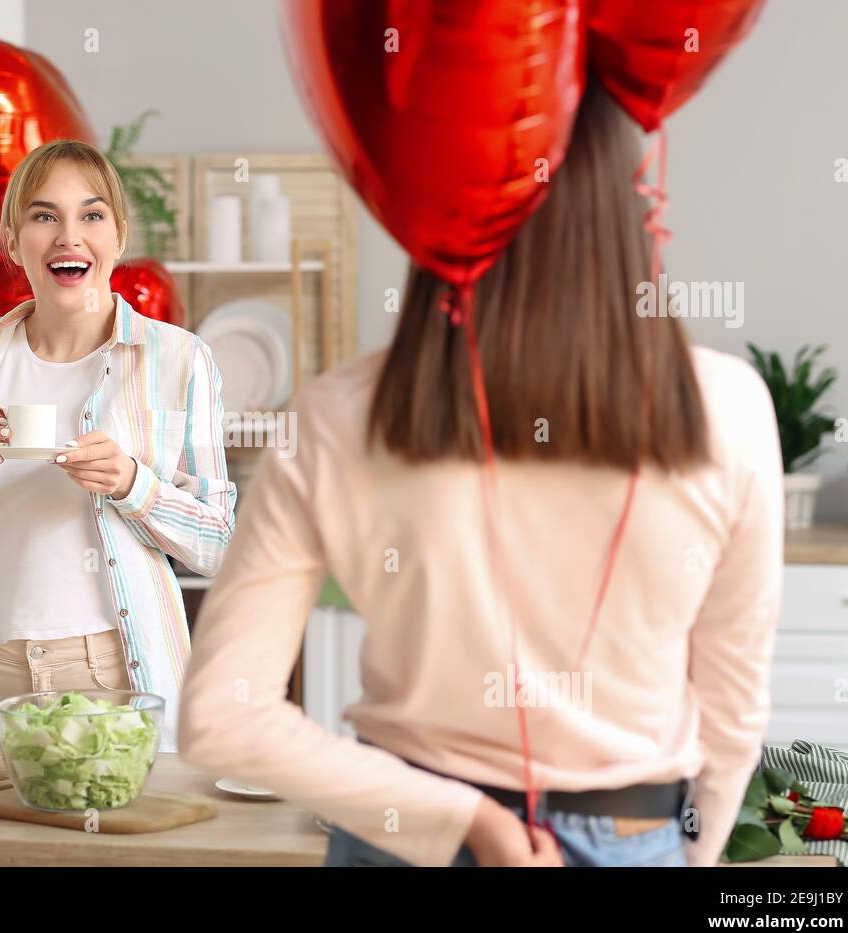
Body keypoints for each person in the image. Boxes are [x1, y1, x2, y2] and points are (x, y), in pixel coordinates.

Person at [177, 80, 783, 865]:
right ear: (630, 214)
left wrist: (463, 819)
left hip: (401, 841)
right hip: (633, 836)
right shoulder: (729, 408)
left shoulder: (335, 416)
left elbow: (221, 718)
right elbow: (733, 719)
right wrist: (684, 856)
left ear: (437, 215)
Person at [0, 139, 236, 751]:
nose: (67, 236)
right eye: (43, 215)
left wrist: (134, 484)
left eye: (92, 215)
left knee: (103, 848)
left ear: (119, 235)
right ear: (12, 238)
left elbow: (217, 545)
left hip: (112, 675)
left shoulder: (179, 360)